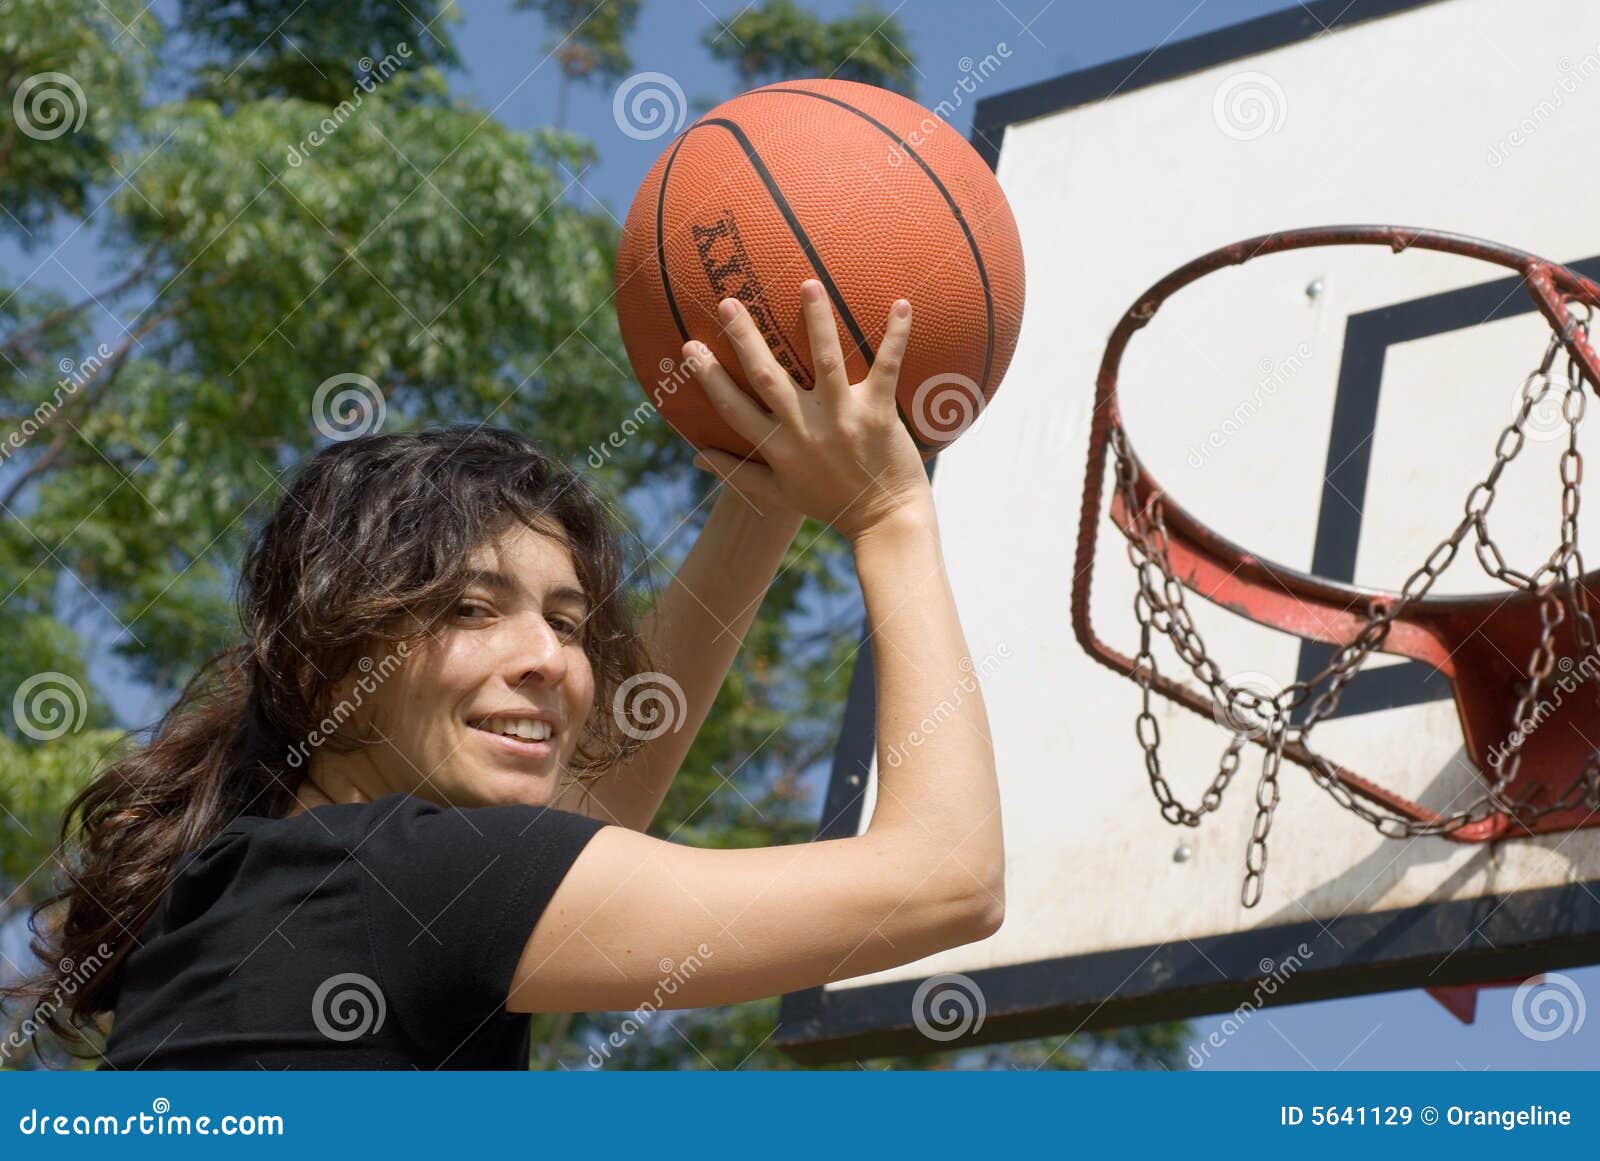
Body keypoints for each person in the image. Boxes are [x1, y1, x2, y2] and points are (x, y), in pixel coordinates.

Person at [1, 281, 1004, 1069]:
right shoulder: (403, 877)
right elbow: (947, 880)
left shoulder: (277, 879)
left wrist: (764, 492)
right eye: (470, 610)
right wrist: (888, 517)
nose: (548, 661)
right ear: (327, 659)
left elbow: (581, 812)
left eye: (569, 624)